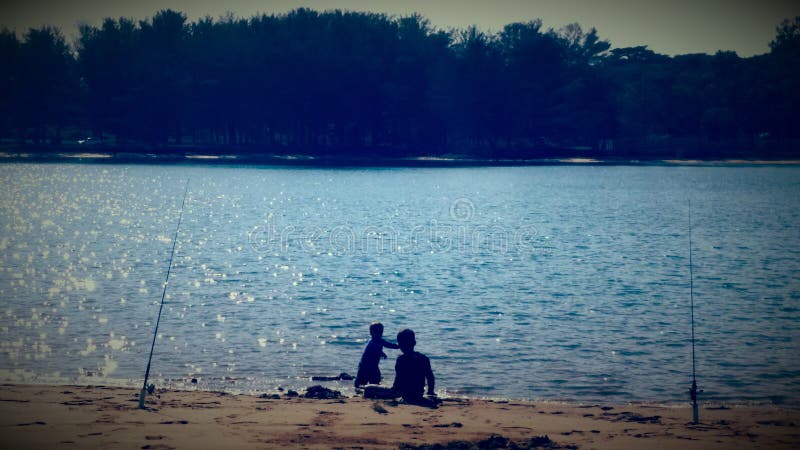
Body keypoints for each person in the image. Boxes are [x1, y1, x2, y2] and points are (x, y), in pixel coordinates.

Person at [392, 328, 439, 407]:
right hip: (418, 394)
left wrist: (394, 391)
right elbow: (430, 377)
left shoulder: (400, 360)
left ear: (399, 345)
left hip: (405, 396)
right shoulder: (424, 358)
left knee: (369, 389)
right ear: (414, 343)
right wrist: (430, 392)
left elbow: (397, 381)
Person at [354, 322, 400, 388]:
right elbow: (386, 346)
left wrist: (382, 353)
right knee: (361, 382)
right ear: (371, 333)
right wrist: (399, 346)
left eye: (380, 332)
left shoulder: (378, 341)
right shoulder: (374, 342)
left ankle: (371, 390)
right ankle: (360, 391)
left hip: (371, 366)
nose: (379, 334)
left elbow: (387, 346)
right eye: (377, 332)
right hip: (366, 366)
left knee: (374, 381)